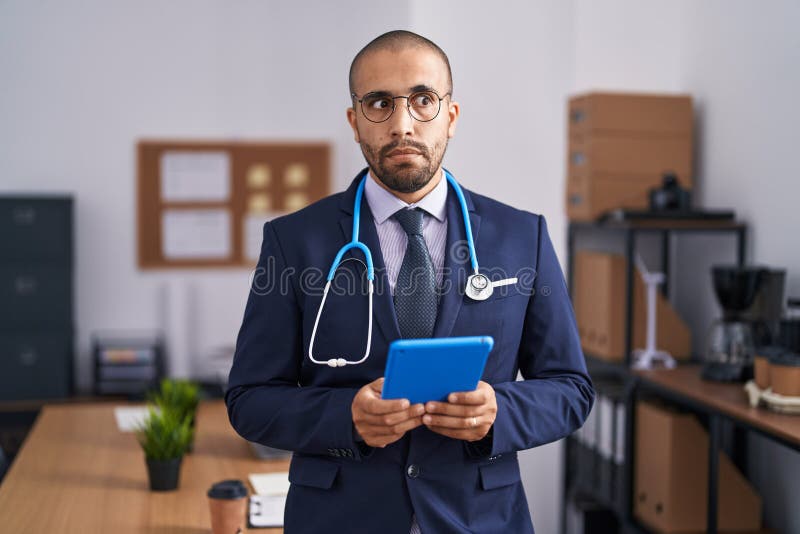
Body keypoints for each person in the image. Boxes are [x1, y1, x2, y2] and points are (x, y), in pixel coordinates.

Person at [226, 30, 594, 534]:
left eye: (423, 100)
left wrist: (498, 412)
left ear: (451, 116)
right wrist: (345, 417)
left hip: (480, 519)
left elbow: (571, 389)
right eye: (379, 103)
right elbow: (249, 400)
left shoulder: (521, 236)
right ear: (355, 123)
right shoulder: (295, 243)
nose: (402, 124)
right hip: (340, 519)